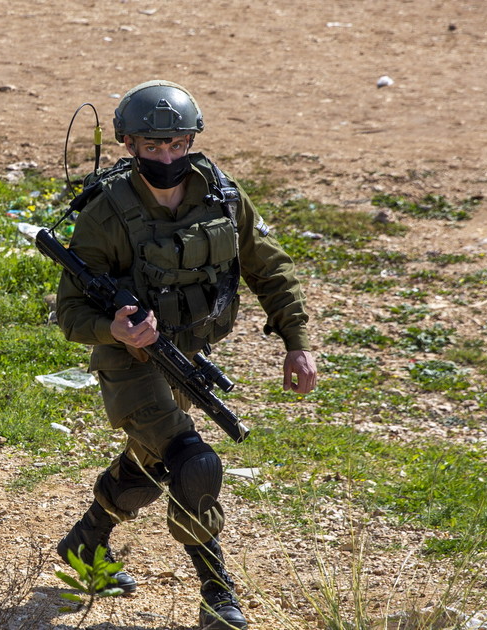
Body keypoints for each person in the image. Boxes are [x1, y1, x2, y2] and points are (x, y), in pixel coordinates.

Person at [54, 80, 318, 630]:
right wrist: (116, 328)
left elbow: (270, 269)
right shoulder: (106, 215)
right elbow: (72, 315)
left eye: (177, 144)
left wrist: (297, 344)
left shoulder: (221, 193)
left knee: (151, 462)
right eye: (153, 147)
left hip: (185, 352)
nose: (167, 157)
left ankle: (87, 541)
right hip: (126, 358)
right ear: (128, 143)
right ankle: (217, 593)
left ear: (192, 139)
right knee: (192, 462)